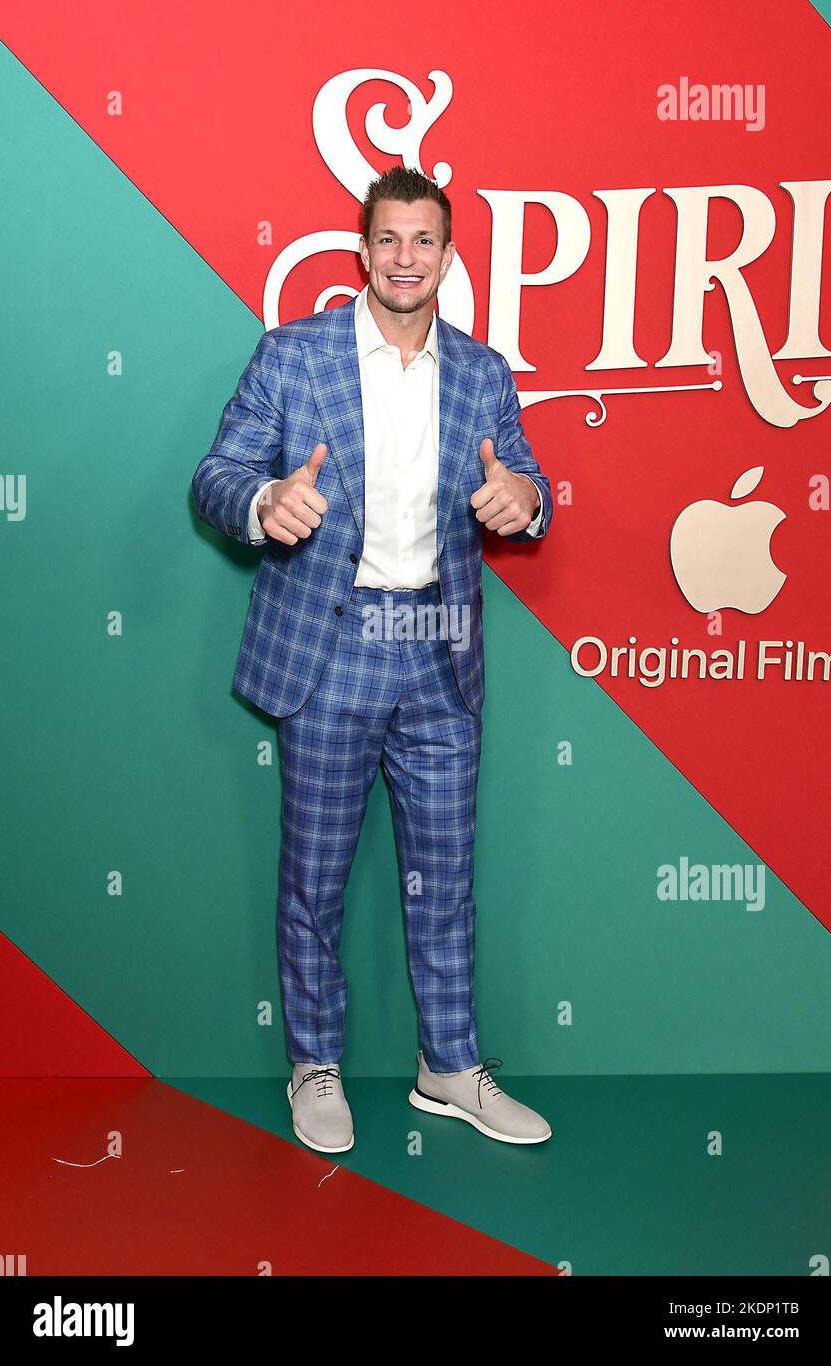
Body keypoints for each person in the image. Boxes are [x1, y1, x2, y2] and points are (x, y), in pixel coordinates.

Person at [192, 165, 554, 1153]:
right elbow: (216, 474)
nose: (404, 258)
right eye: (387, 240)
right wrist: (265, 504)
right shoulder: (293, 356)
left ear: (446, 255)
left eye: (423, 241)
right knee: (313, 876)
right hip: (333, 645)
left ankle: (450, 1065)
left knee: (446, 873)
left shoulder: (481, 372)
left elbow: (525, 477)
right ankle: (314, 1066)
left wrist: (525, 500)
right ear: (363, 251)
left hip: (437, 653)